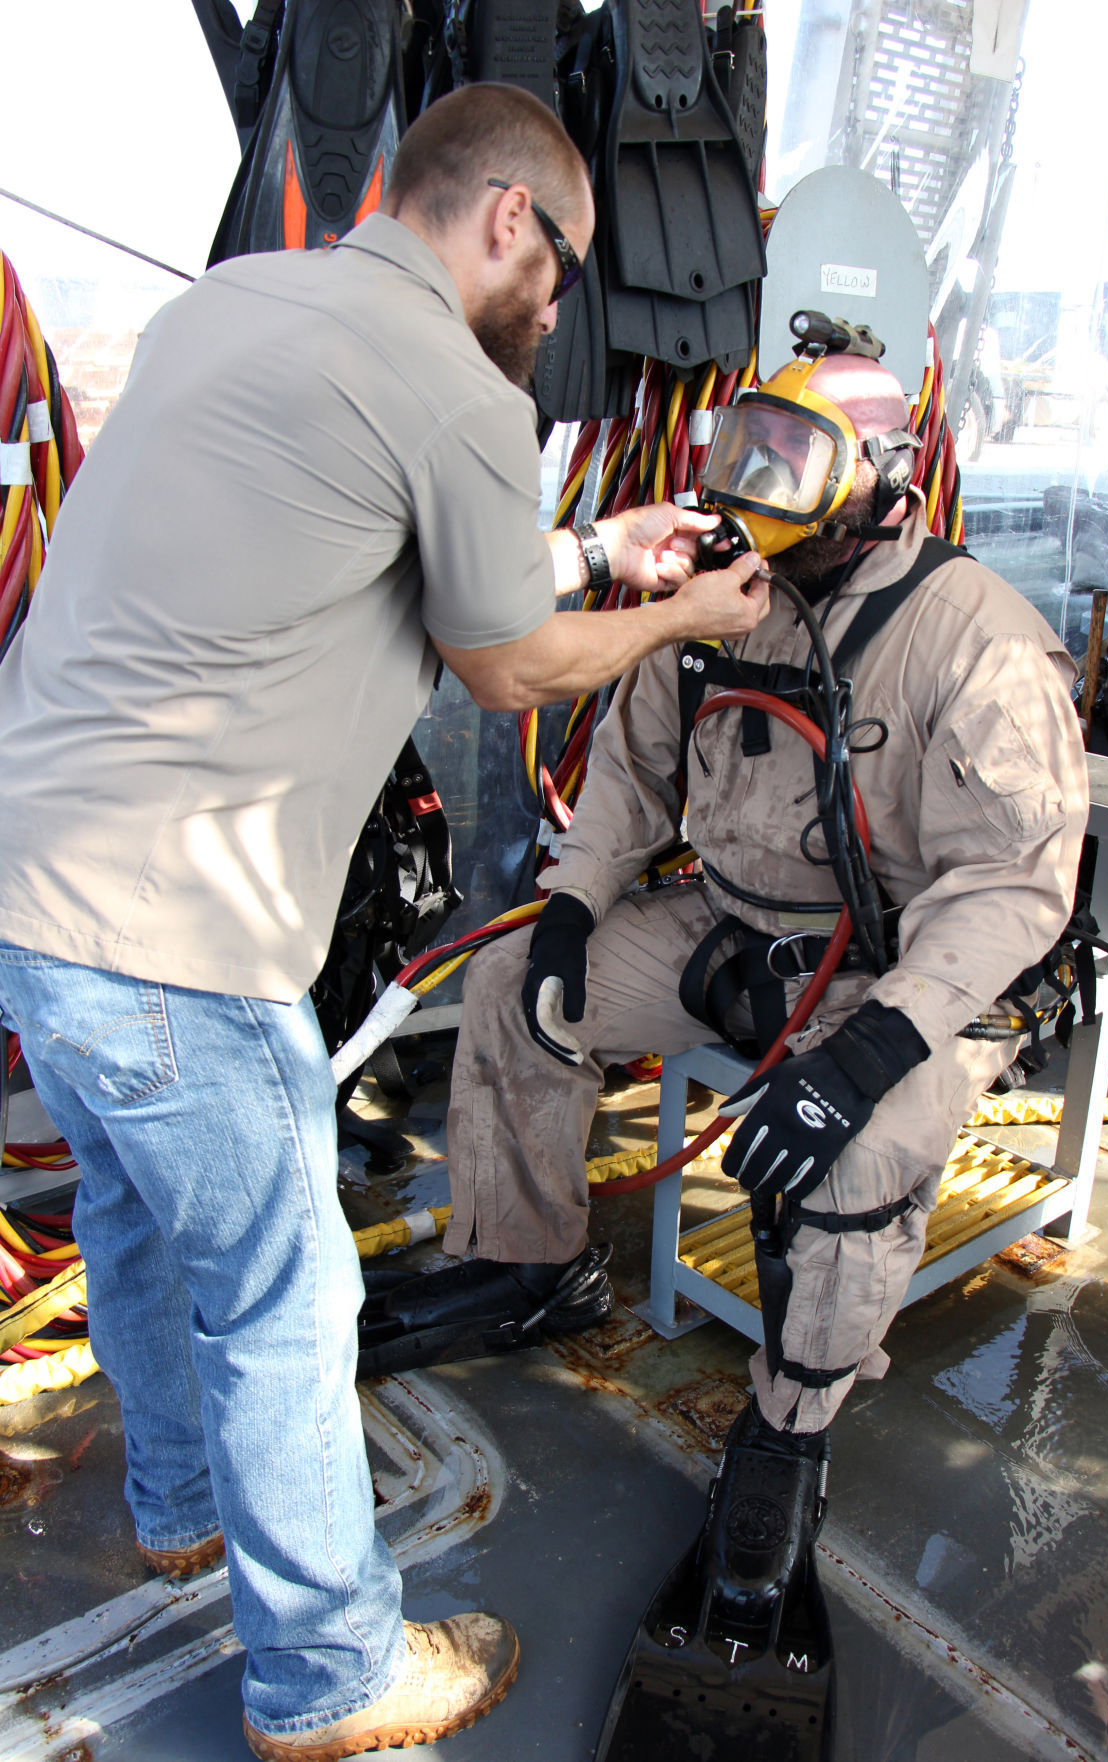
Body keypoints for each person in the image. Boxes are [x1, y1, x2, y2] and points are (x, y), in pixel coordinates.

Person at [0, 84, 768, 1762]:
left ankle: (180, 1505)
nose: (558, 311)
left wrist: (598, 545)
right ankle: (328, 1677)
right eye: (561, 269)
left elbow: (381, 541)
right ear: (506, 219)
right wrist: (685, 613)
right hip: (174, 936)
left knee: (133, 1223)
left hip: (33, 896)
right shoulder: (456, 385)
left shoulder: (236, 303)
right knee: (283, 1302)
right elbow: (508, 666)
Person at [373, 345, 1089, 1503]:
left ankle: (791, 1421)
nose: (752, 486)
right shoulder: (721, 604)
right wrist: (571, 906)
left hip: (897, 970)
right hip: (728, 920)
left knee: (854, 1152)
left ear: (879, 479)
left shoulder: (974, 638)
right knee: (510, 986)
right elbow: (631, 769)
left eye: (789, 460)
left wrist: (867, 1052)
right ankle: (530, 1267)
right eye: (747, 450)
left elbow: (1012, 884)